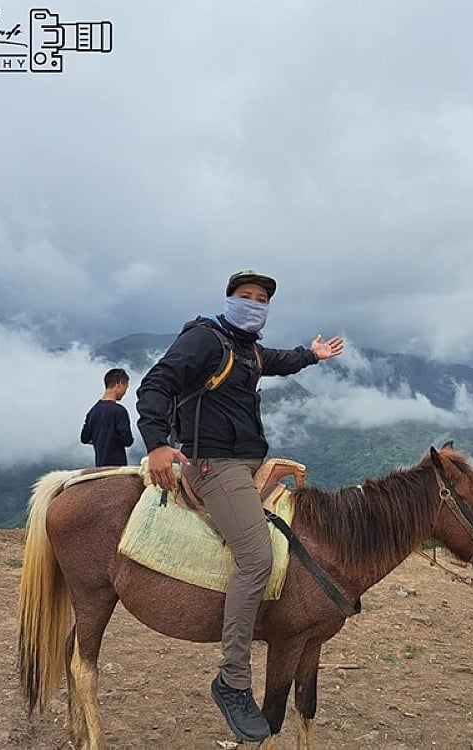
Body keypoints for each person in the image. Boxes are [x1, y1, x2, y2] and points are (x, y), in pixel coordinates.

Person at [136, 269, 344, 743]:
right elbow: (156, 384)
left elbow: (280, 359)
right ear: (229, 299)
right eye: (246, 296)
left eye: (262, 299)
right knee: (257, 560)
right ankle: (232, 679)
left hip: (250, 463)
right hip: (216, 465)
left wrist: (313, 355)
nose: (254, 303)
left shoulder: (245, 348)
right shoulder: (207, 340)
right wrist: (156, 444)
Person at [80, 368, 134, 467]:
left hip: (99, 469)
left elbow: (84, 438)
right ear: (119, 384)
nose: (125, 392)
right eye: (125, 387)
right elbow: (127, 440)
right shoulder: (120, 411)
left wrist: (100, 439)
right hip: (117, 469)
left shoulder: (93, 411)